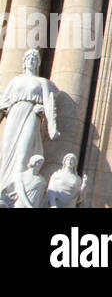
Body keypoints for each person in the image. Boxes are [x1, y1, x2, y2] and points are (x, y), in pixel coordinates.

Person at [0, 49, 58, 206]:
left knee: (23, 152)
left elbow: (49, 103)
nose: (31, 60)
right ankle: (3, 189)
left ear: (38, 63)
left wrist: (52, 126)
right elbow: (3, 102)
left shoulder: (42, 82)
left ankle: (17, 193)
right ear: (24, 62)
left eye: (34, 58)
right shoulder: (16, 81)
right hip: (14, 115)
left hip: (31, 116)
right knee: (7, 151)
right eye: (29, 58)